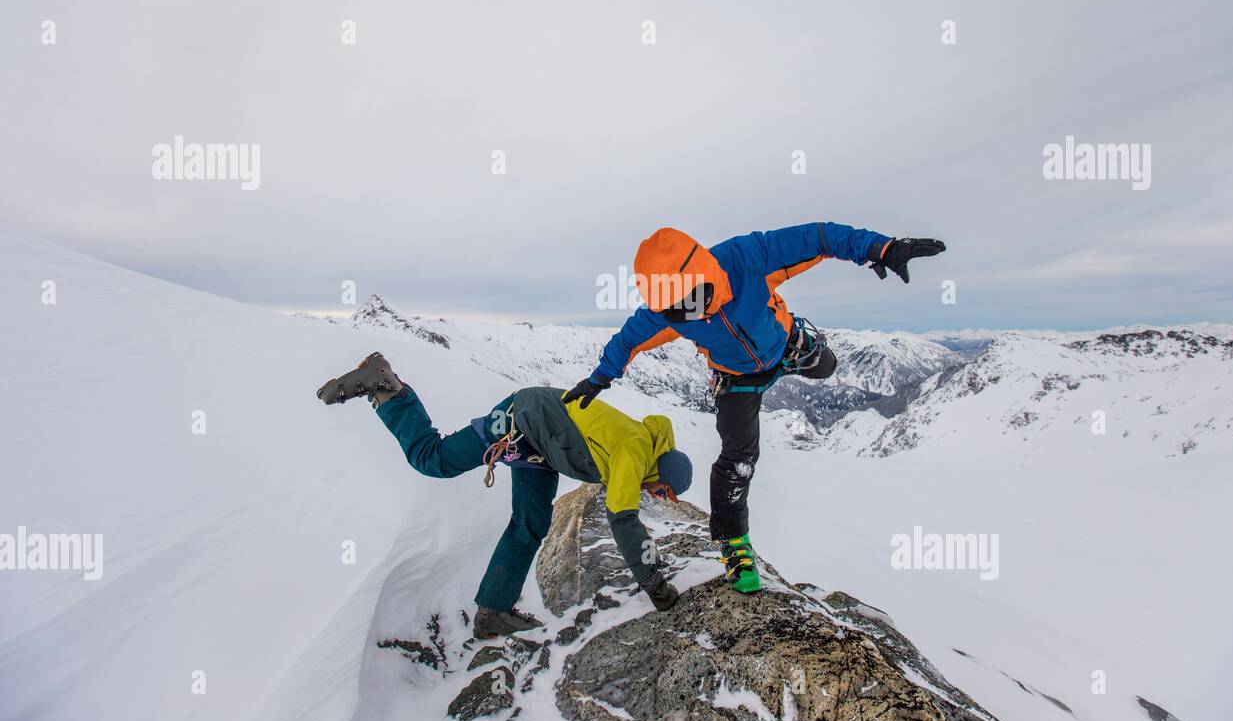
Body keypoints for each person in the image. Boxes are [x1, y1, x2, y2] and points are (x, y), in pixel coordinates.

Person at [563, 223, 945, 594]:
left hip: (782, 347)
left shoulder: (746, 257)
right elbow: (627, 340)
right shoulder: (664, 312)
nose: (692, 314)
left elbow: (819, 238)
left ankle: (800, 344)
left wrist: (881, 248)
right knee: (739, 456)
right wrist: (600, 378)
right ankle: (734, 545)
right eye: (678, 310)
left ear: (706, 273)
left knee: (826, 366)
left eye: (693, 300)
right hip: (736, 378)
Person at [317, 353, 692, 637]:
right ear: (663, 474)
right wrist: (655, 586)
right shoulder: (637, 453)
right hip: (522, 420)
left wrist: (650, 557)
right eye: (665, 492)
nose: (659, 497)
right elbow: (623, 518)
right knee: (435, 459)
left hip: (538, 445)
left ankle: (492, 612)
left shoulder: (642, 453)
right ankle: (387, 389)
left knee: (531, 522)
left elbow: (628, 514)